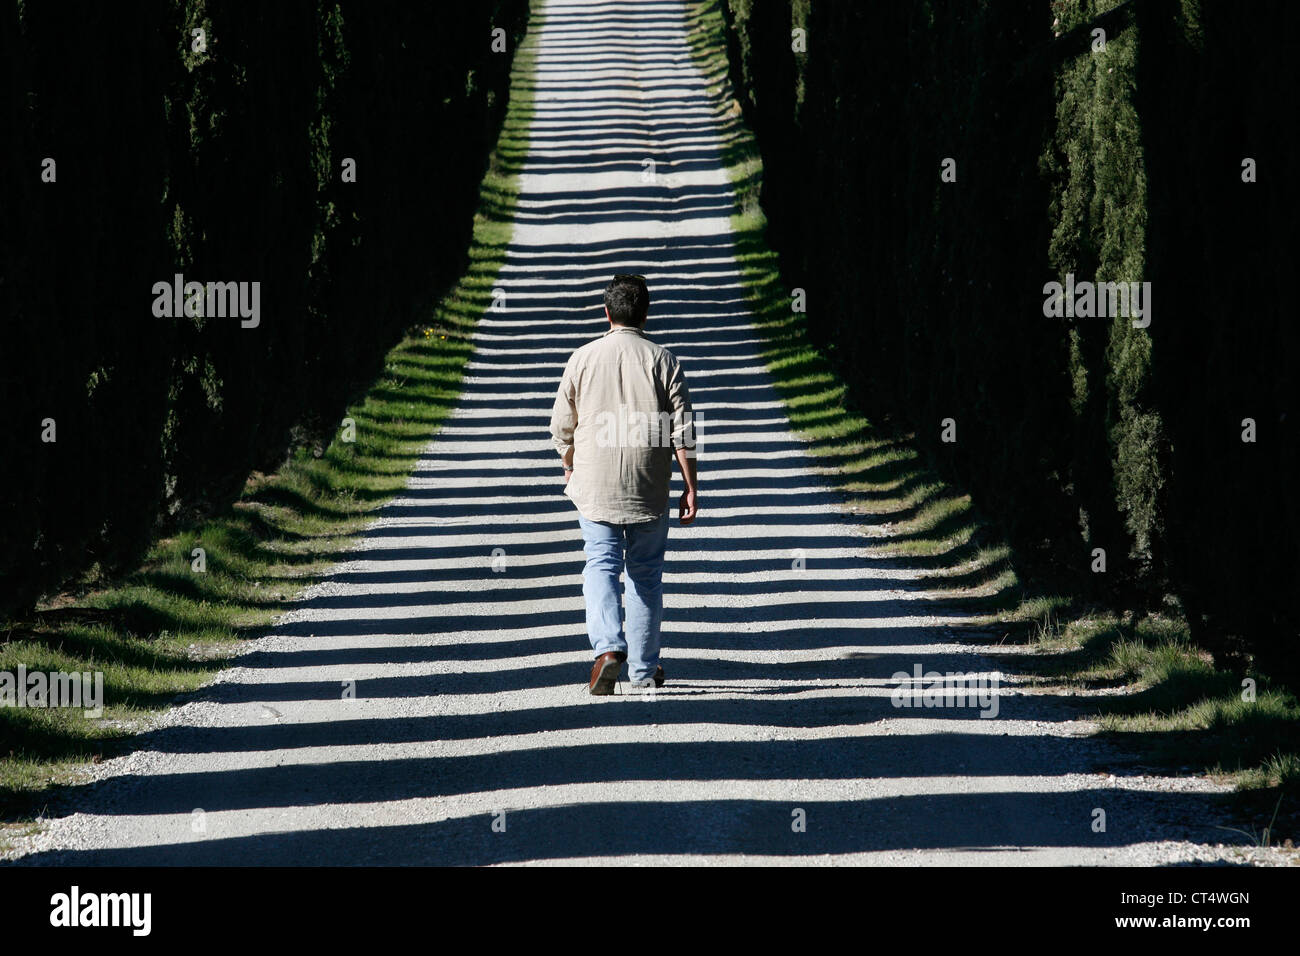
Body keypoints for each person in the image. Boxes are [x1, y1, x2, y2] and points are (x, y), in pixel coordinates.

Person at [549, 274, 698, 695]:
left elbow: (562, 424)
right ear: (645, 314)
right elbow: (682, 432)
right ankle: (644, 669)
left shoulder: (582, 357)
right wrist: (690, 487)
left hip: (594, 484)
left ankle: (609, 648)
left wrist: (568, 461)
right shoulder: (664, 360)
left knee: (600, 563)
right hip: (649, 485)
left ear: (607, 312)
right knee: (645, 574)